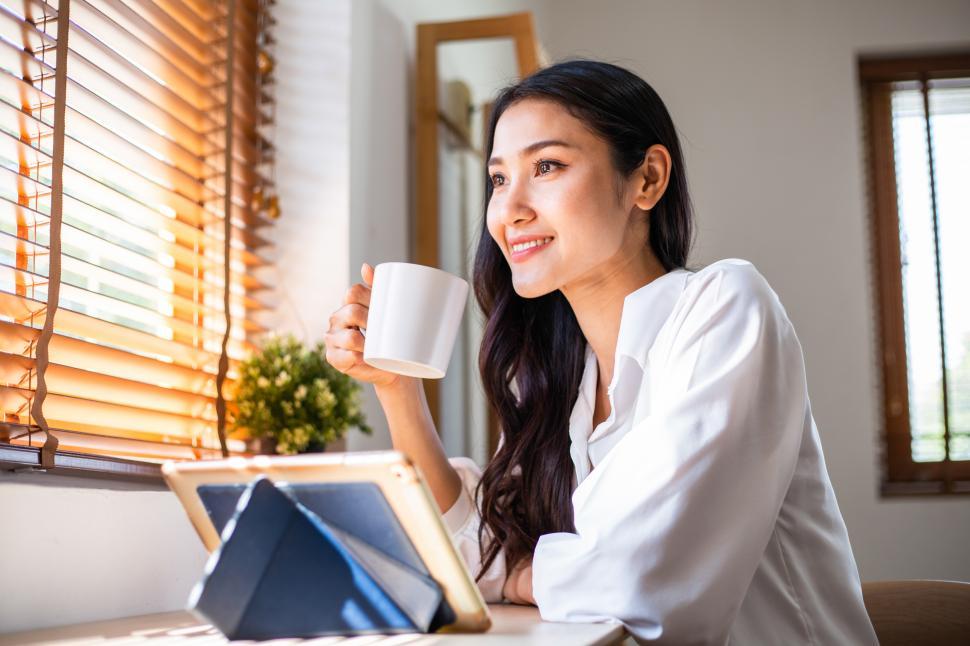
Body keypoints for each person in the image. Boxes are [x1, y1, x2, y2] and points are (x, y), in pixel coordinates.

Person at [325, 60, 877, 644]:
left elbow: (646, 580)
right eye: (499, 179)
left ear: (647, 180)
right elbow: (474, 553)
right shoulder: (559, 377)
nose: (509, 210)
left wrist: (516, 575)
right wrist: (397, 386)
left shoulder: (726, 308)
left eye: (547, 166)